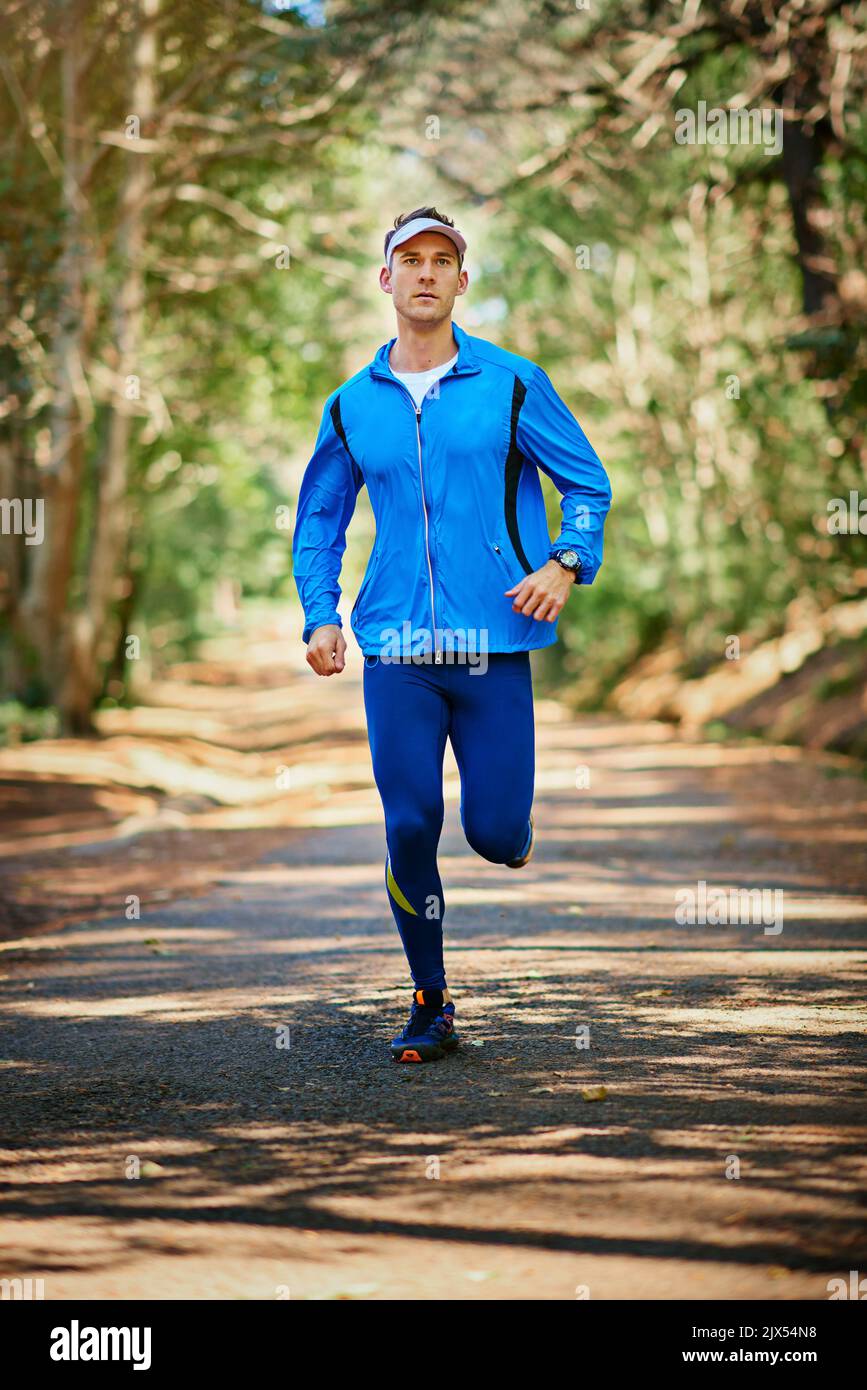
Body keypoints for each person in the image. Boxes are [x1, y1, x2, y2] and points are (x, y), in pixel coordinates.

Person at [292, 207, 612, 1063]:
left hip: (493, 644)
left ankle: (509, 830)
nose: (426, 273)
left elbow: (585, 482)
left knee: (494, 833)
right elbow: (320, 517)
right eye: (410, 260)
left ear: (462, 281)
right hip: (396, 651)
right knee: (408, 823)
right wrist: (320, 612)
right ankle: (430, 1002)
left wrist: (565, 562)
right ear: (385, 279)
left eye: (443, 261)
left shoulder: (511, 383)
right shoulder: (353, 405)